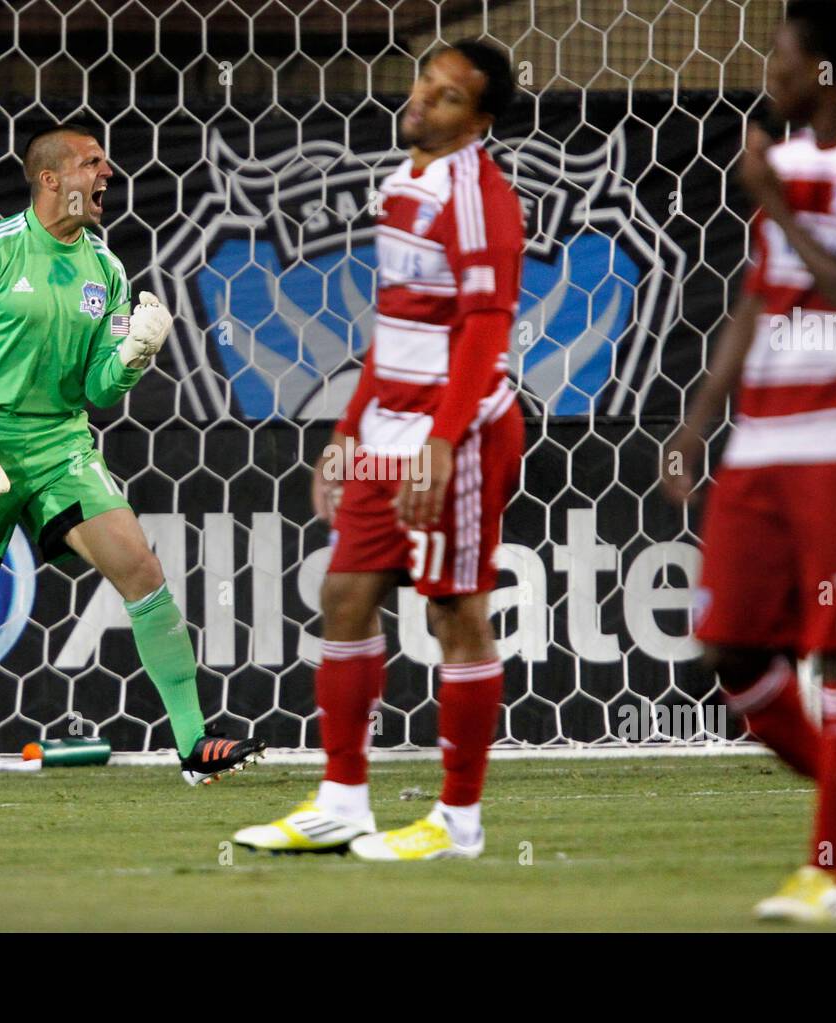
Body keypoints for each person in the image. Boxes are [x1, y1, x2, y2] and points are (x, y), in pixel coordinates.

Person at [0, 124, 265, 788]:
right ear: (51, 179)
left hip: (61, 443)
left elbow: (97, 389)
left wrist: (133, 357)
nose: (108, 173)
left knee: (141, 569)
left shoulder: (108, 270)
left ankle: (192, 742)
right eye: (94, 163)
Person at [661, 0, 836, 922]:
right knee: (732, 645)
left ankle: (826, 871)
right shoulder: (780, 164)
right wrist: (698, 421)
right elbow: (759, 296)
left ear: (822, 66)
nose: (768, 68)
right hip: (763, 438)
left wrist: (779, 205)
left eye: (781, 52)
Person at [233, 40, 524, 860]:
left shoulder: (480, 196)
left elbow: (483, 328)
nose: (423, 102)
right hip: (387, 428)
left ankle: (458, 822)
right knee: (346, 593)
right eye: (424, 85)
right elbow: (396, 321)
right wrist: (349, 427)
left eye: (448, 97)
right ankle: (342, 801)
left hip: (457, 433)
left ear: (480, 122)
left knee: (453, 613)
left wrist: (441, 439)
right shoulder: (403, 183)